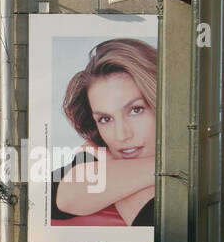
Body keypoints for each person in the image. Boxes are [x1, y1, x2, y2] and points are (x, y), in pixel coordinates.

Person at [52, 38, 158, 228]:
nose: (121, 135)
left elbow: (158, 229)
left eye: (136, 110)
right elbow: (63, 196)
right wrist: (171, 167)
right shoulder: (92, 158)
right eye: (105, 119)